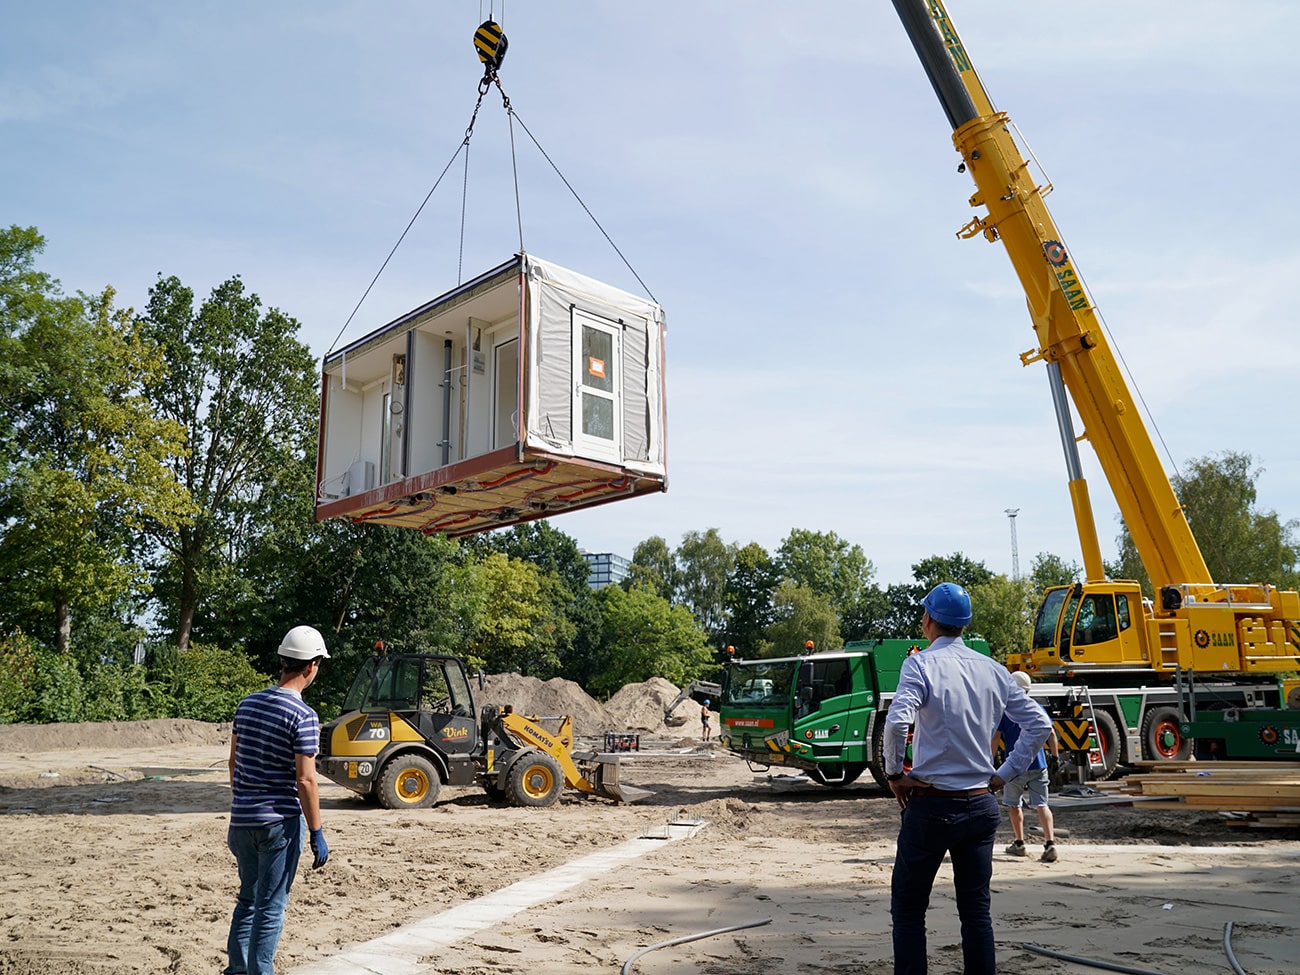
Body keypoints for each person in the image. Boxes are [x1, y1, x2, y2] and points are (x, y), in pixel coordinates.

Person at [883, 582, 1052, 975]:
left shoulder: (921, 664)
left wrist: (895, 774)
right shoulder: (994, 671)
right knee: (976, 913)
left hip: (932, 805)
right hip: (979, 804)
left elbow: (896, 724)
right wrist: (1005, 773)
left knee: (908, 912)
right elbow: (1039, 724)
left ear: (928, 620)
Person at [224, 625, 332, 975]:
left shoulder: (248, 703)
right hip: (278, 824)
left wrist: (243, 801)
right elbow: (306, 779)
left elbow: (233, 761)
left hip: (241, 821)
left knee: (248, 901)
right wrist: (316, 831)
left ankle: (237, 970)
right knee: (270, 908)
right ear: (311, 666)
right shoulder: (303, 716)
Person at [993, 670, 1061, 863]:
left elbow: (996, 738)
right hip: (1038, 764)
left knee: (1014, 805)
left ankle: (1020, 843)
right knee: (1042, 804)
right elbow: (1051, 733)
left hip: (1013, 768)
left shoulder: (1006, 711)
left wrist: (991, 762)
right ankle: (1050, 843)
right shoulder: (1037, 707)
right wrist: (1055, 758)